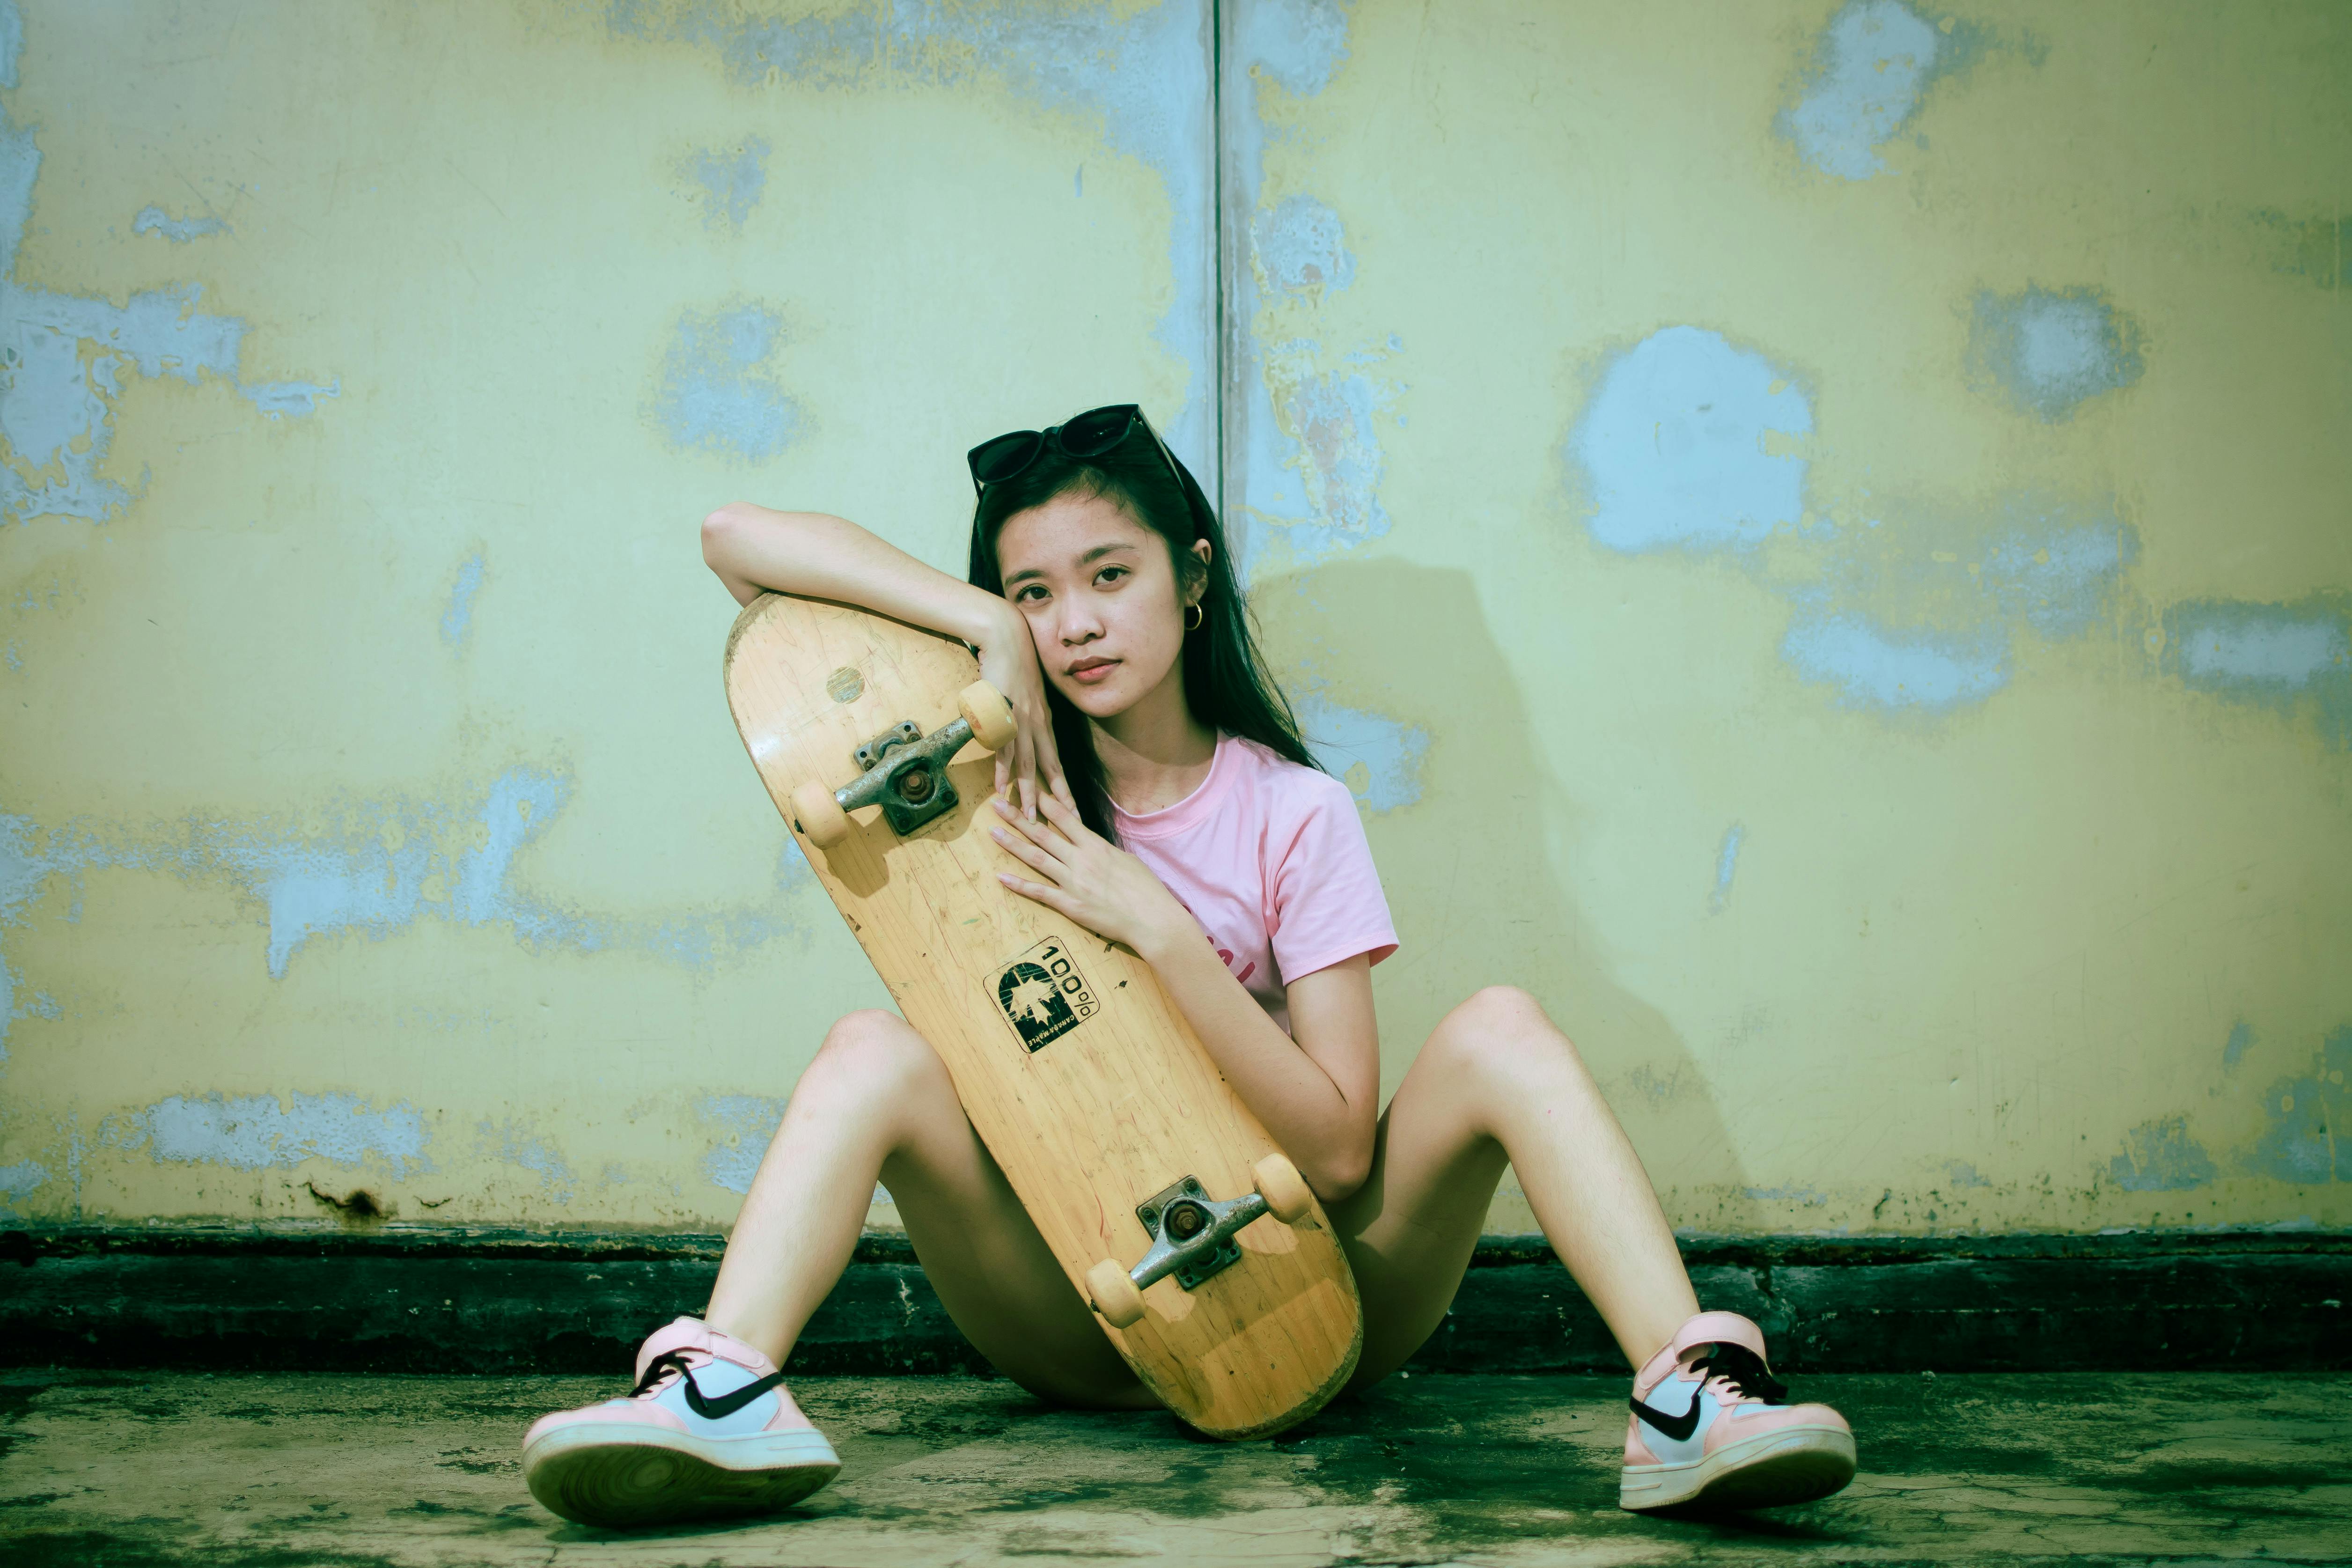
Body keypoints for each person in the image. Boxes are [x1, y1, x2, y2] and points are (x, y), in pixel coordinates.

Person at [520, 404, 1855, 1526]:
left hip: (1317, 1303)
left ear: (1193, 579)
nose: (1077, 623)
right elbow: (732, 540)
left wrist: (1155, 925)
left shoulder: (1292, 815)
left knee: (1501, 1025)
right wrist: (979, 628)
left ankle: (1687, 1398)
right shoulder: (985, 769)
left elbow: (1339, 1154)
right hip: (1075, 1306)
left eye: (1113, 575)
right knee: (871, 1050)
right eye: (1038, 592)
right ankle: (717, 1390)